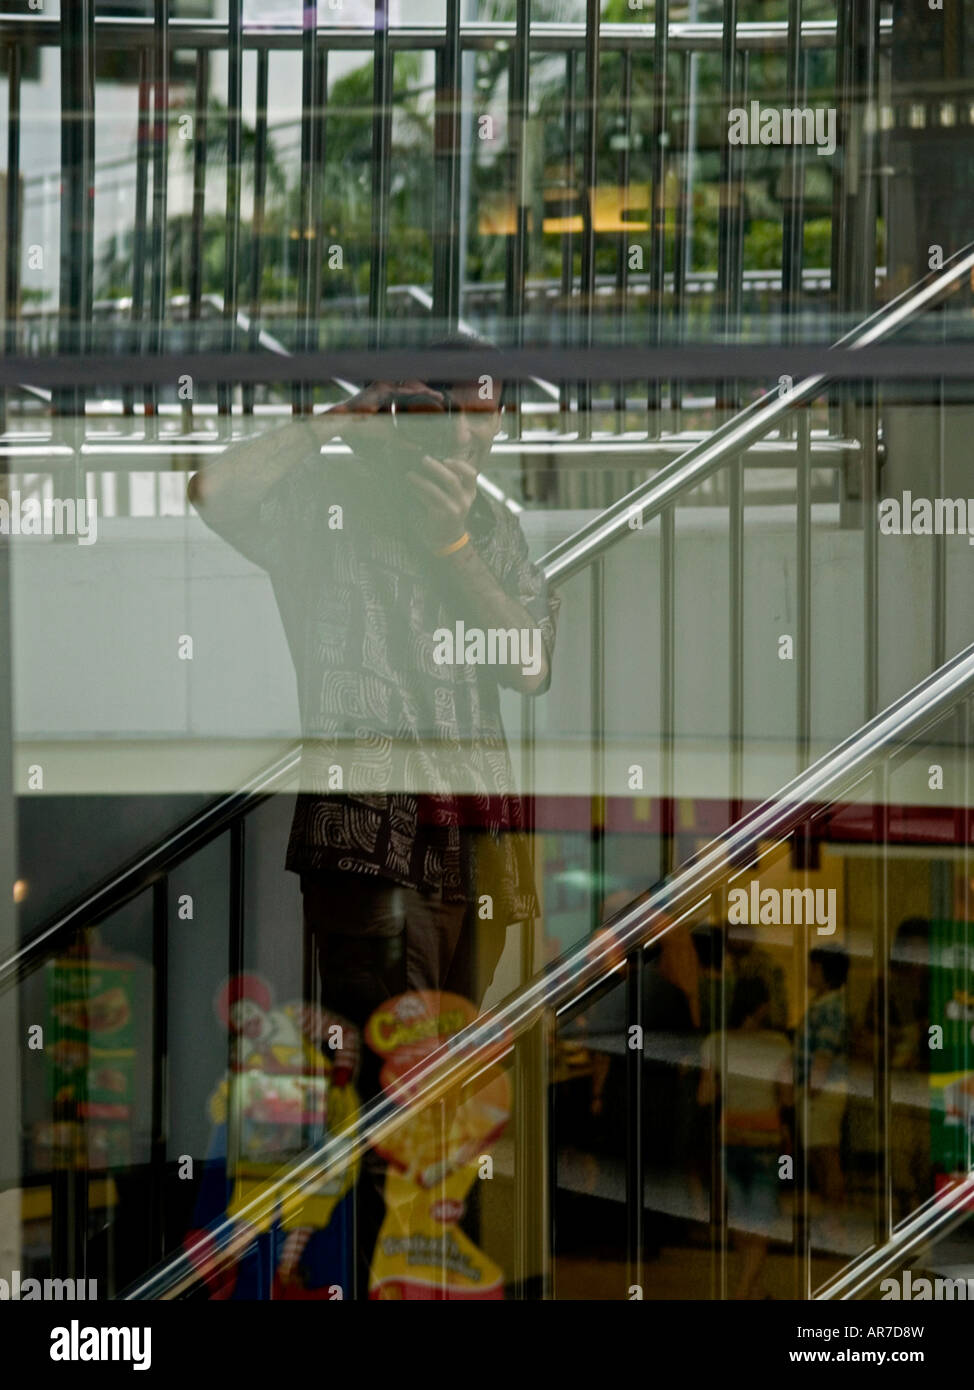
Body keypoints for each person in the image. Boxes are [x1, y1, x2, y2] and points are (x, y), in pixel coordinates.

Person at [188, 333, 559, 1285]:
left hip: (474, 847)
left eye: (484, 431)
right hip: (367, 841)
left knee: (450, 1093)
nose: (467, 453)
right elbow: (214, 492)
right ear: (404, 415)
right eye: (448, 427)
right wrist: (339, 418)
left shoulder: (495, 530)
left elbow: (531, 664)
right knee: (399, 1090)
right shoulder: (328, 502)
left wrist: (454, 547)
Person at [699, 976, 792, 1299]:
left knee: (739, 1216)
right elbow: (787, 1097)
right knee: (762, 1221)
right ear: (763, 1006)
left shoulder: (715, 1042)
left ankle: (754, 1289)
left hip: (730, 1136)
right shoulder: (779, 1044)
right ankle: (742, 1292)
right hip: (765, 1138)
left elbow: (705, 1096)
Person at [796, 944, 850, 1246]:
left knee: (826, 1156)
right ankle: (829, 1219)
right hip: (820, 1088)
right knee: (821, 1155)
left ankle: (833, 1221)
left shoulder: (829, 1008)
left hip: (822, 1090)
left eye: (813, 967)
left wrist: (811, 1085)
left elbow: (824, 1053)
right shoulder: (825, 1004)